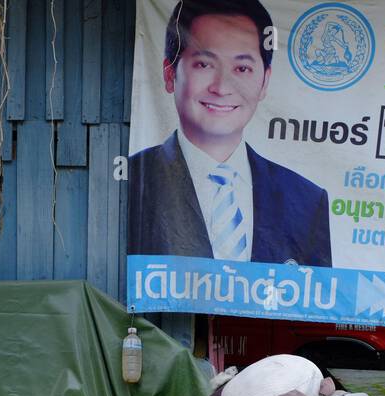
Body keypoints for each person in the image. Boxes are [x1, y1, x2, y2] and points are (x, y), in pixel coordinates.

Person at [128, 0, 332, 267]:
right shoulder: (132, 182)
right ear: (169, 74)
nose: (222, 87)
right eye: (204, 64)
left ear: (264, 82)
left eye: (242, 68)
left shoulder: (306, 200)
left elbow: (315, 302)